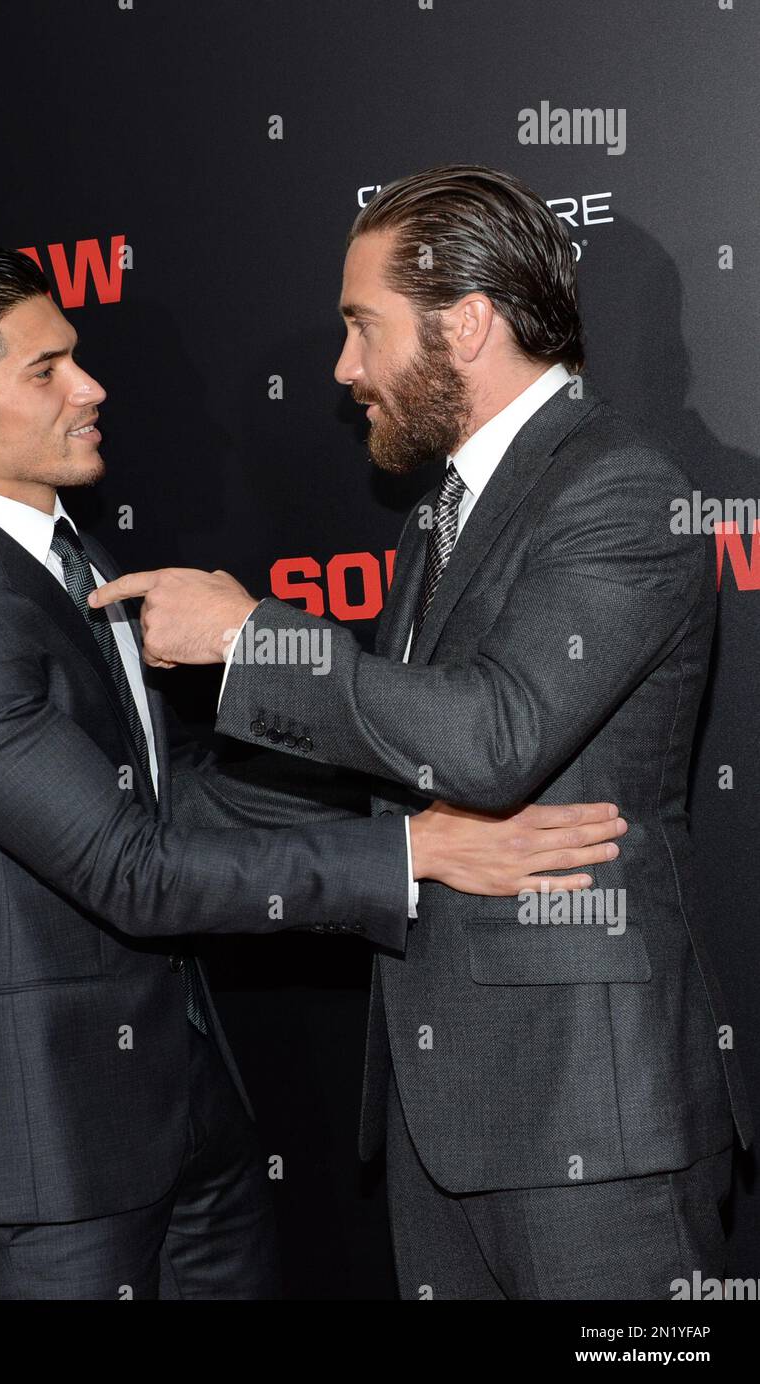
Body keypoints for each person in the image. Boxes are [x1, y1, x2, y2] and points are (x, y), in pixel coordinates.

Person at [0, 243, 623, 1300]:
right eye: (48, 371)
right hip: (53, 1162)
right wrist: (414, 847)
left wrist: (398, 773)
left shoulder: (73, 561)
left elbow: (183, 796)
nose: (92, 387)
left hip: (194, 1122)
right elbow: (134, 869)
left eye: (76, 355)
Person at [93, 165, 754, 1300]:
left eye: (363, 326)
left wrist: (256, 638)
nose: (344, 369)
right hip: (440, 1113)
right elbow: (399, 764)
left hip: (589, 1122)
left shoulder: (620, 489)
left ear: (470, 322)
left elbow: (495, 736)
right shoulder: (438, 520)